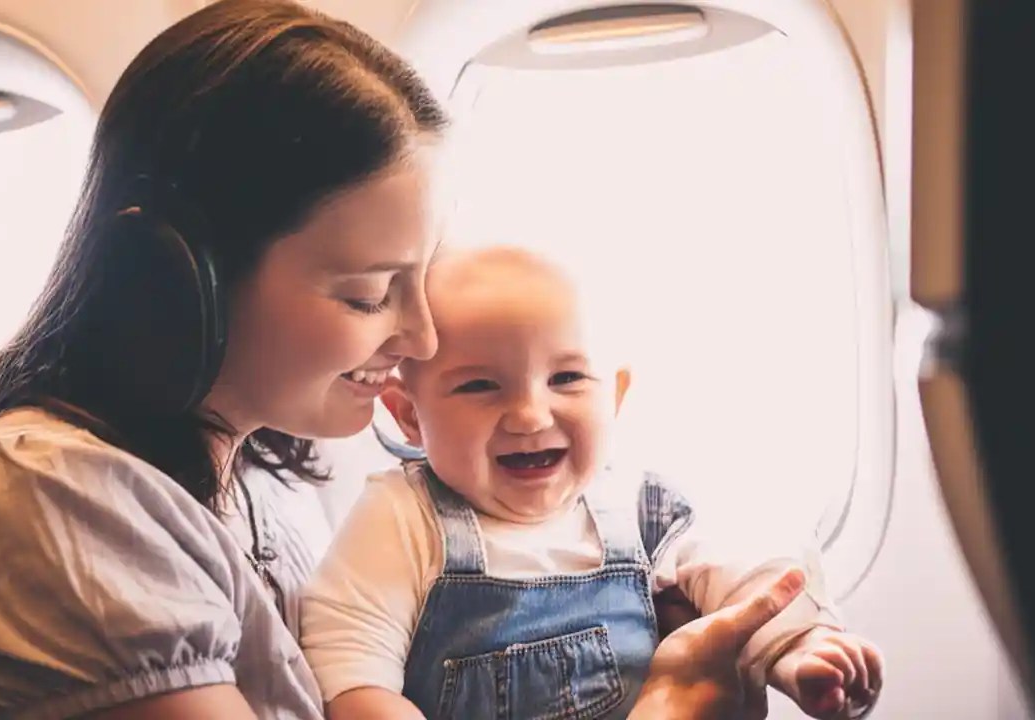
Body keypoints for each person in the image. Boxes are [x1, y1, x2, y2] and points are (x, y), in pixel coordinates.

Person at [0, 2, 857, 718]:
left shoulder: (254, 489)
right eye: (369, 293)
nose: (418, 338)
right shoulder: (37, 513)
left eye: (421, 280)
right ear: (179, 275)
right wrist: (673, 699)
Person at [301, 247, 884, 719]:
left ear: (616, 394)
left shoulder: (639, 507)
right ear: (409, 416)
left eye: (568, 377)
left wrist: (799, 651)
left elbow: (741, 575)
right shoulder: (403, 517)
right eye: (479, 387)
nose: (530, 415)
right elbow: (349, 670)